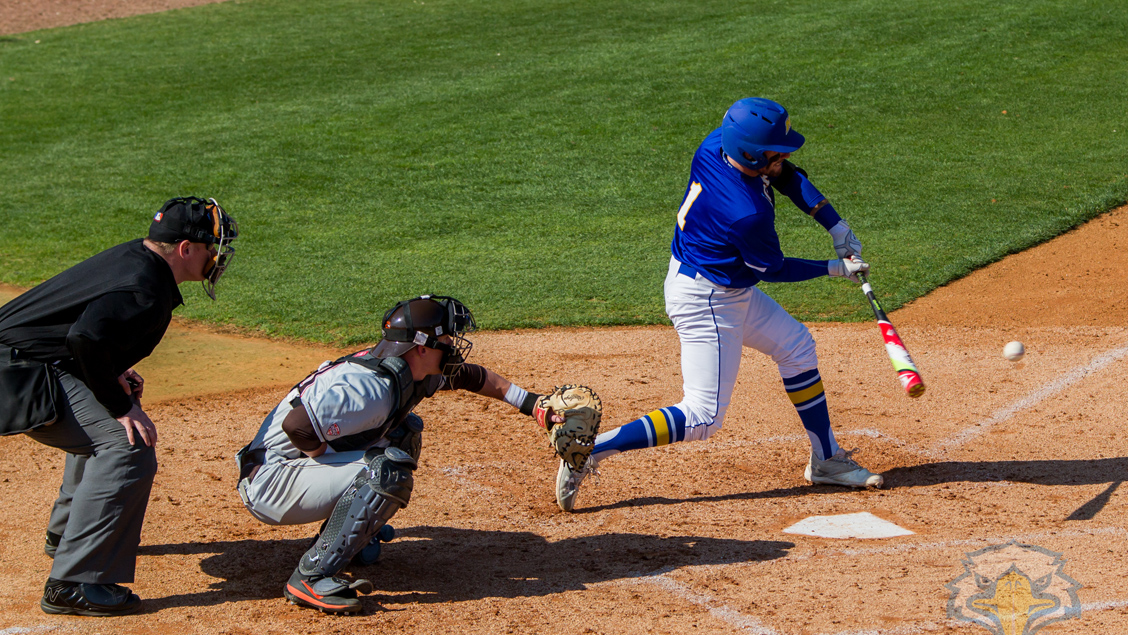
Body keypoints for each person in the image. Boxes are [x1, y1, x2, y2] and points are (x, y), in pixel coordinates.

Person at [555, 97, 881, 512]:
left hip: (720, 284)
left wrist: (833, 222)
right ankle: (590, 449)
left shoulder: (717, 145)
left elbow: (784, 175)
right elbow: (773, 269)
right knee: (702, 417)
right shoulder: (746, 213)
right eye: (774, 151)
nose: (783, 156)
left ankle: (827, 460)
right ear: (751, 153)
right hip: (707, 299)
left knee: (797, 348)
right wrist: (834, 268)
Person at [235, 295, 557, 615]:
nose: (453, 346)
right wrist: (330, 457)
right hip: (268, 482)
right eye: (446, 339)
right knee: (384, 472)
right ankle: (310, 576)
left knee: (405, 433)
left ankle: (346, 539)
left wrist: (533, 404)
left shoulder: (408, 371)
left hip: (288, 466)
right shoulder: (370, 390)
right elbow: (298, 425)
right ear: (421, 347)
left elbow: (473, 377)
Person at [0, 197, 238, 615]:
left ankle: (67, 536)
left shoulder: (138, 259)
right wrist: (119, 405)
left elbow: (80, 328)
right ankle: (73, 583)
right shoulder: (144, 287)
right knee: (127, 442)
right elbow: (85, 338)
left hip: (24, 361)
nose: (219, 256)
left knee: (111, 409)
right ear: (185, 249)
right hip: (16, 375)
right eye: (211, 246)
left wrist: (112, 374)